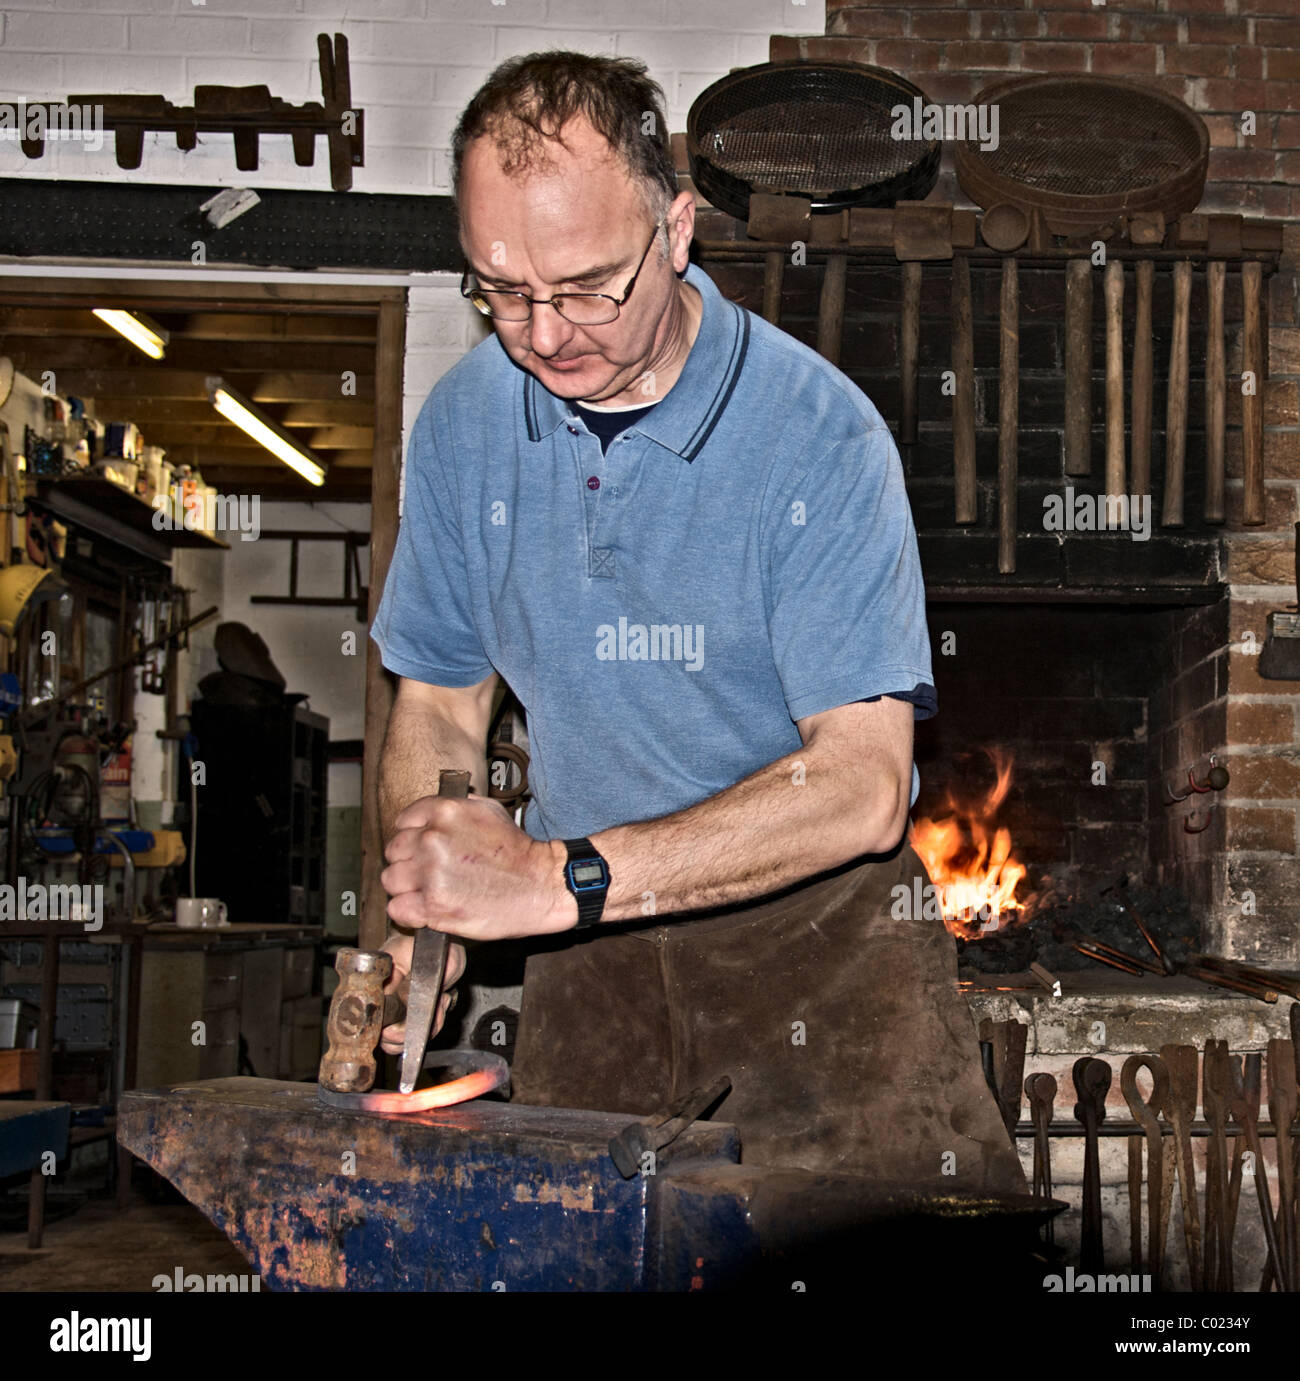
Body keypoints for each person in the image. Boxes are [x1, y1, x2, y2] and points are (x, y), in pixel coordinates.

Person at [370, 50, 1024, 1194]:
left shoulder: (820, 437)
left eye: (586, 287)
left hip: (816, 947)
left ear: (676, 231)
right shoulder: (467, 423)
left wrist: (551, 881)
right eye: (503, 290)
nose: (545, 333)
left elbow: (862, 789)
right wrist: (435, 869)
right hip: (590, 961)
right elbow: (437, 700)